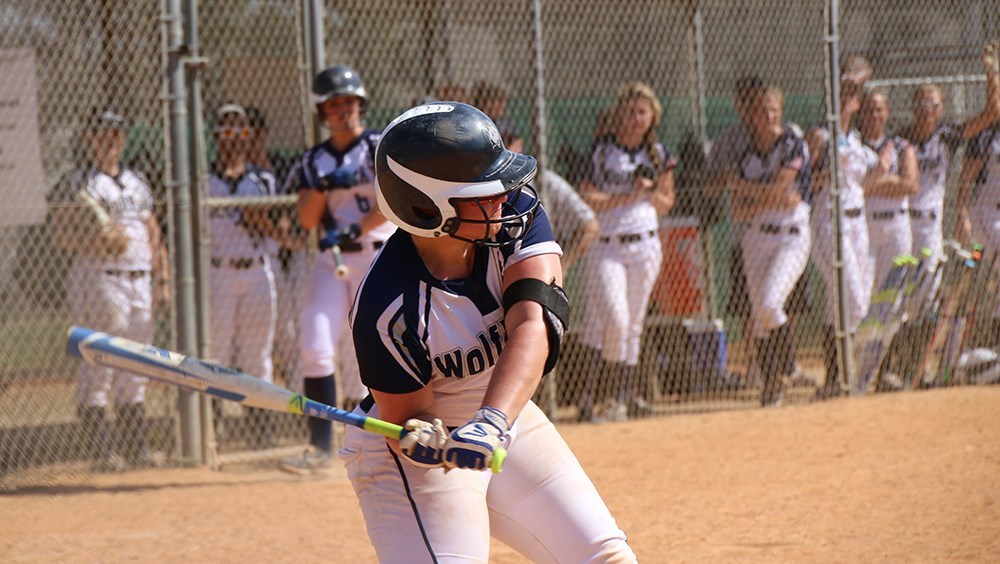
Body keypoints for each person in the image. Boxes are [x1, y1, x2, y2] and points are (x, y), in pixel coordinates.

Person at [342, 101, 636, 562]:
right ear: (427, 208)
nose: (504, 194)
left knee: (605, 557)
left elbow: (533, 323)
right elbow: (406, 415)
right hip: (415, 460)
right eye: (484, 188)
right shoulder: (386, 307)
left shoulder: (514, 214)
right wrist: (419, 436)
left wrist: (492, 421)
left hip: (503, 415)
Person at [279, 65, 394, 474]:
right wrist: (327, 186)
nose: (343, 109)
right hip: (333, 261)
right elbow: (308, 219)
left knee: (373, 351)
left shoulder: (381, 145)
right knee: (315, 344)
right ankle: (320, 448)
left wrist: (352, 227)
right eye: (334, 103)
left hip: (380, 255)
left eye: (349, 101)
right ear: (322, 111)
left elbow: (392, 202)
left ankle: (381, 443)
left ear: (360, 104)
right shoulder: (314, 161)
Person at [49, 107, 169, 471]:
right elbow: (60, 235)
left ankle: (136, 448)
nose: (109, 140)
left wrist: (162, 276)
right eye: (101, 133)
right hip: (100, 278)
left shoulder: (136, 181)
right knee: (99, 360)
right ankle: (101, 453)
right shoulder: (80, 182)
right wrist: (99, 243)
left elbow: (153, 230)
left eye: (115, 133)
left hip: (140, 278)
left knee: (136, 363)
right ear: (88, 139)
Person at [578, 81, 677, 420]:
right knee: (615, 320)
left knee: (633, 325)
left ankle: (625, 396)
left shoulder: (658, 153)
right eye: (630, 111)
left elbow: (667, 201)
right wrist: (631, 194)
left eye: (642, 112)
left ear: (652, 117)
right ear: (619, 113)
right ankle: (606, 396)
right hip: (608, 246)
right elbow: (588, 198)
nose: (636, 118)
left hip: (646, 244)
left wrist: (649, 192)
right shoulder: (602, 149)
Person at [807, 56, 887, 399]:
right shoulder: (820, 134)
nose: (852, 95)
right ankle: (846, 376)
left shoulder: (854, 140)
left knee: (839, 303)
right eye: (846, 89)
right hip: (828, 220)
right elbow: (805, 180)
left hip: (858, 224)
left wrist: (882, 169)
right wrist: (826, 172)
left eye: (855, 91)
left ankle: (834, 382)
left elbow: (870, 178)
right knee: (852, 298)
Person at [727, 86, 812, 406]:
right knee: (760, 318)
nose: (770, 116)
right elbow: (738, 208)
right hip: (756, 237)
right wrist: (769, 196)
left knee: (770, 304)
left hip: (791, 235)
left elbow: (780, 189)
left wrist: (749, 190)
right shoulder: (745, 153)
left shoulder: (792, 142)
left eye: (775, 109)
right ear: (752, 115)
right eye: (763, 110)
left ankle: (787, 366)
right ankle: (772, 386)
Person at [206, 103, 285, 449]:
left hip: (256, 270)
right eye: (226, 130)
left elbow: (280, 230)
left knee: (257, 354)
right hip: (218, 271)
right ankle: (212, 430)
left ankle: (260, 431)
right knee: (217, 352)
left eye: (240, 130)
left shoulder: (263, 179)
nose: (234, 138)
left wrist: (259, 221)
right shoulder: (203, 180)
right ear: (215, 136)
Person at [901, 42, 1000, 270]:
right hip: (904, 222)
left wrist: (992, 71)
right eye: (922, 104)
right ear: (914, 108)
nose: (928, 110)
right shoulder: (901, 141)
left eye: (934, 105)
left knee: (930, 284)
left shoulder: (946, 136)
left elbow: (992, 112)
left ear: (941, 110)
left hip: (930, 224)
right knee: (899, 287)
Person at [705, 75, 765, 388]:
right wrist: (726, 179)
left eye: (757, 101)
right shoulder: (728, 141)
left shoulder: (781, 136)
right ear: (738, 105)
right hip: (741, 233)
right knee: (747, 306)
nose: (752, 108)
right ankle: (756, 364)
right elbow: (710, 187)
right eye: (746, 102)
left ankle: (780, 362)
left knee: (784, 301)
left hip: (780, 232)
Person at [858, 89, 919, 293]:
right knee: (863, 293)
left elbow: (911, 186)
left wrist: (870, 183)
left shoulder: (900, 146)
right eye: (868, 110)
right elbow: (852, 189)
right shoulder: (853, 146)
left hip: (896, 227)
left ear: (887, 112)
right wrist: (892, 182)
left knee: (892, 294)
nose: (874, 115)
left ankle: (890, 327)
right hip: (864, 227)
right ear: (860, 112)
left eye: (879, 110)